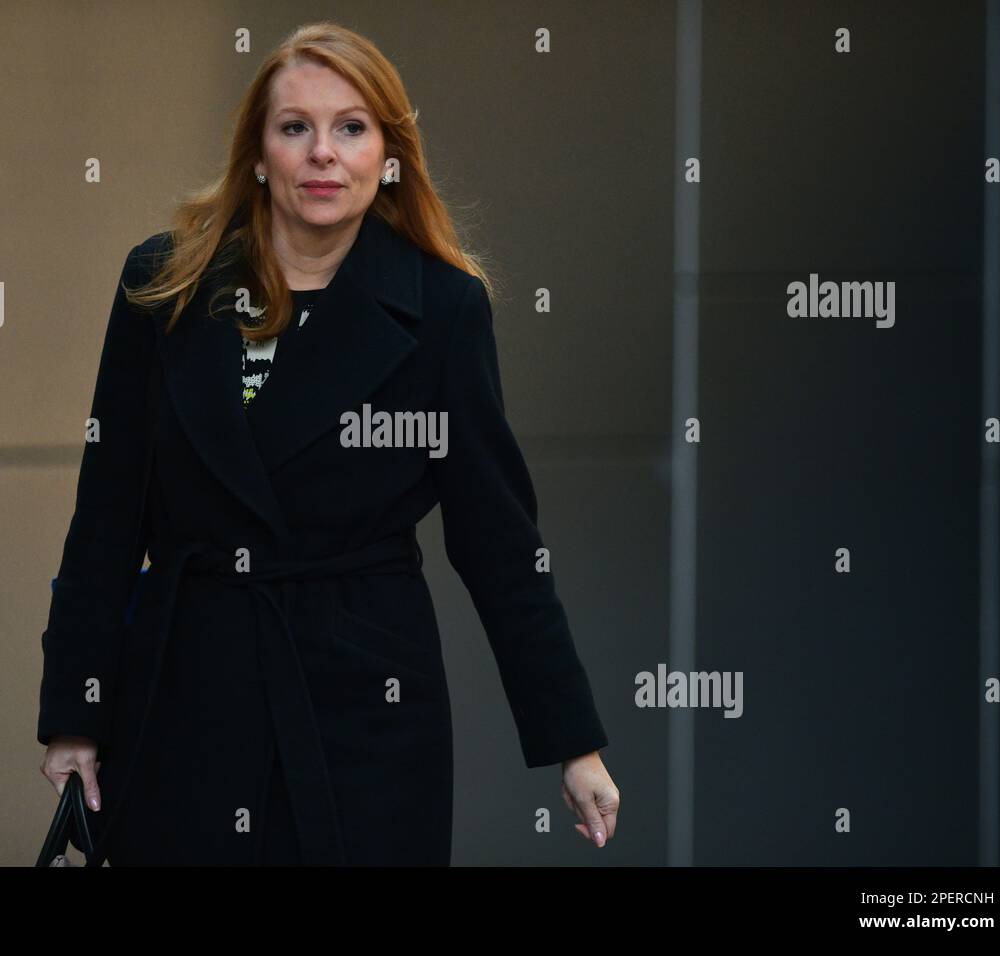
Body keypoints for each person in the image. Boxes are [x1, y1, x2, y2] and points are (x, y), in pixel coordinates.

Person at [37, 21, 620, 865]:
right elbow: (106, 515)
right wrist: (75, 714)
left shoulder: (442, 312)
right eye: (295, 127)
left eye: (351, 127)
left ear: (387, 154)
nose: (323, 153)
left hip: (365, 710)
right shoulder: (162, 286)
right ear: (259, 153)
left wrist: (575, 744)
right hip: (188, 692)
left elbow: (499, 542)